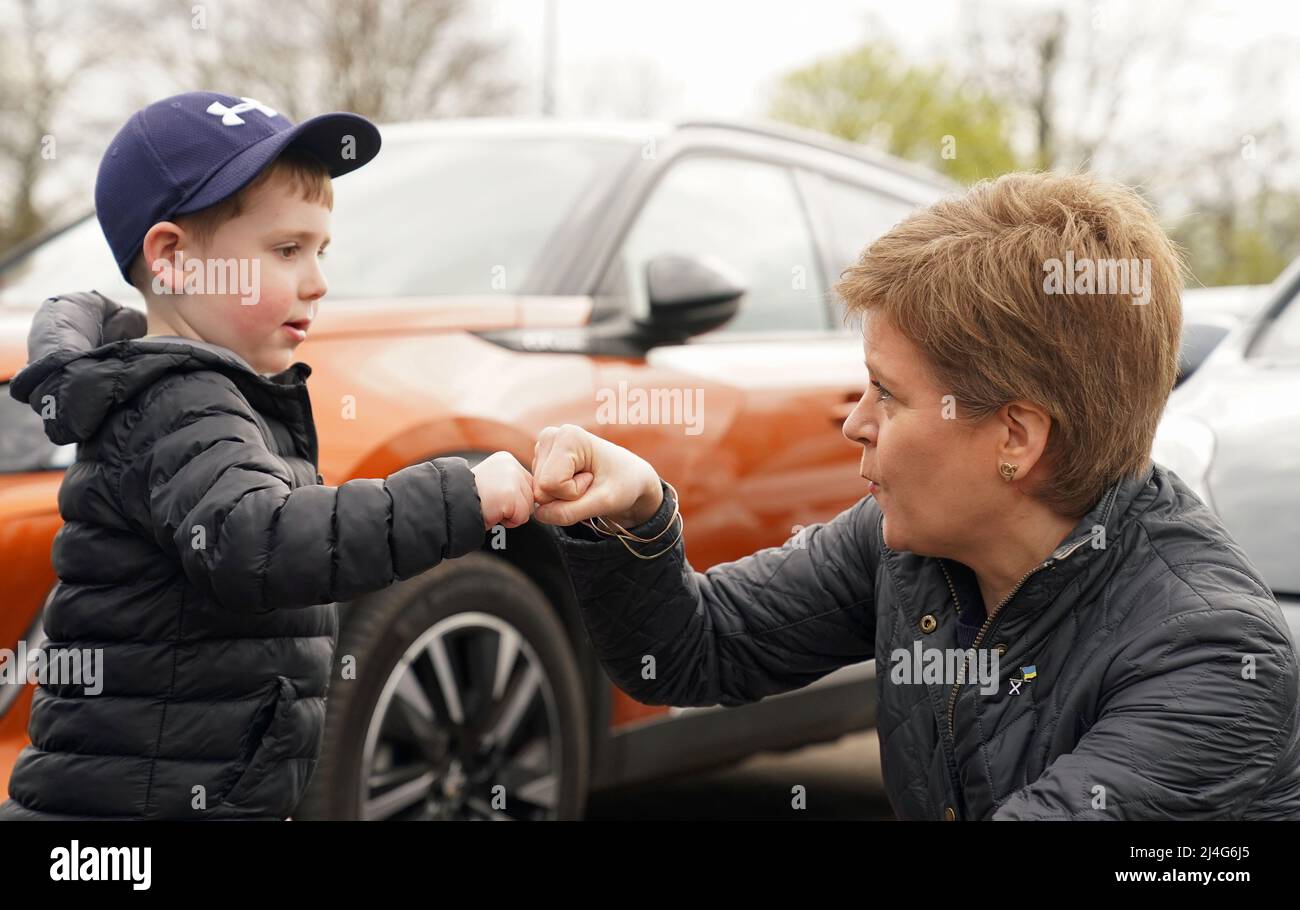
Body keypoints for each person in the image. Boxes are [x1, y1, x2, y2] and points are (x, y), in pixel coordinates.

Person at [530, 172, 1300, 820]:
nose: (855, 424)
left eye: (889, 395)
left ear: (1015, 439)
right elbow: (693, 654)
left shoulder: (1210, 663)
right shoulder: (910, 546)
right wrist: (630, 520)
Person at [0, 92, 534, 820]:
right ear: (174, 259)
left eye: (321, 250)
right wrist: (460, 499)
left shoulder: (209, 392)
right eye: (287, 250)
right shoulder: (179, 398)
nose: (317, 281)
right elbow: (260, 541)